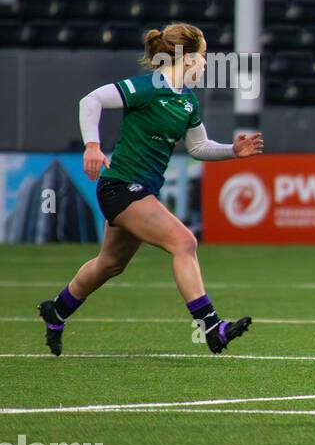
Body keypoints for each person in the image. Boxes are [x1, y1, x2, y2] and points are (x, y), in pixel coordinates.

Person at [38, 22, 264, 356]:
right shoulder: (148, 87)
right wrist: (92, 146)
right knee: (184, 242)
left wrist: (233, 150)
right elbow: (91, 101)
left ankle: (57, 309)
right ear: (187, 59)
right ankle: (212, 328)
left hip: (138, 190)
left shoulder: (187, 102)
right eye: (204, 57)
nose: (205, 64)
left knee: (110, 264)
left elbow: (199, 148)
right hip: (121, 187)